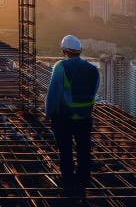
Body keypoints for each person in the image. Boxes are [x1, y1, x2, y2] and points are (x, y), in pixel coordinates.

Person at [45, 35, 100, 197]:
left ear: (64, 51)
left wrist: (49, 113)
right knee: (84, 148)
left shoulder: (61, 66)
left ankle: (68, 181)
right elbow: (93, 92)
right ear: (80, 51)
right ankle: (83, 179)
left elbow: (53, 93)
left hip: (64, 117)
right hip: (85, 117)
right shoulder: (93, 69)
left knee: (65, 150)